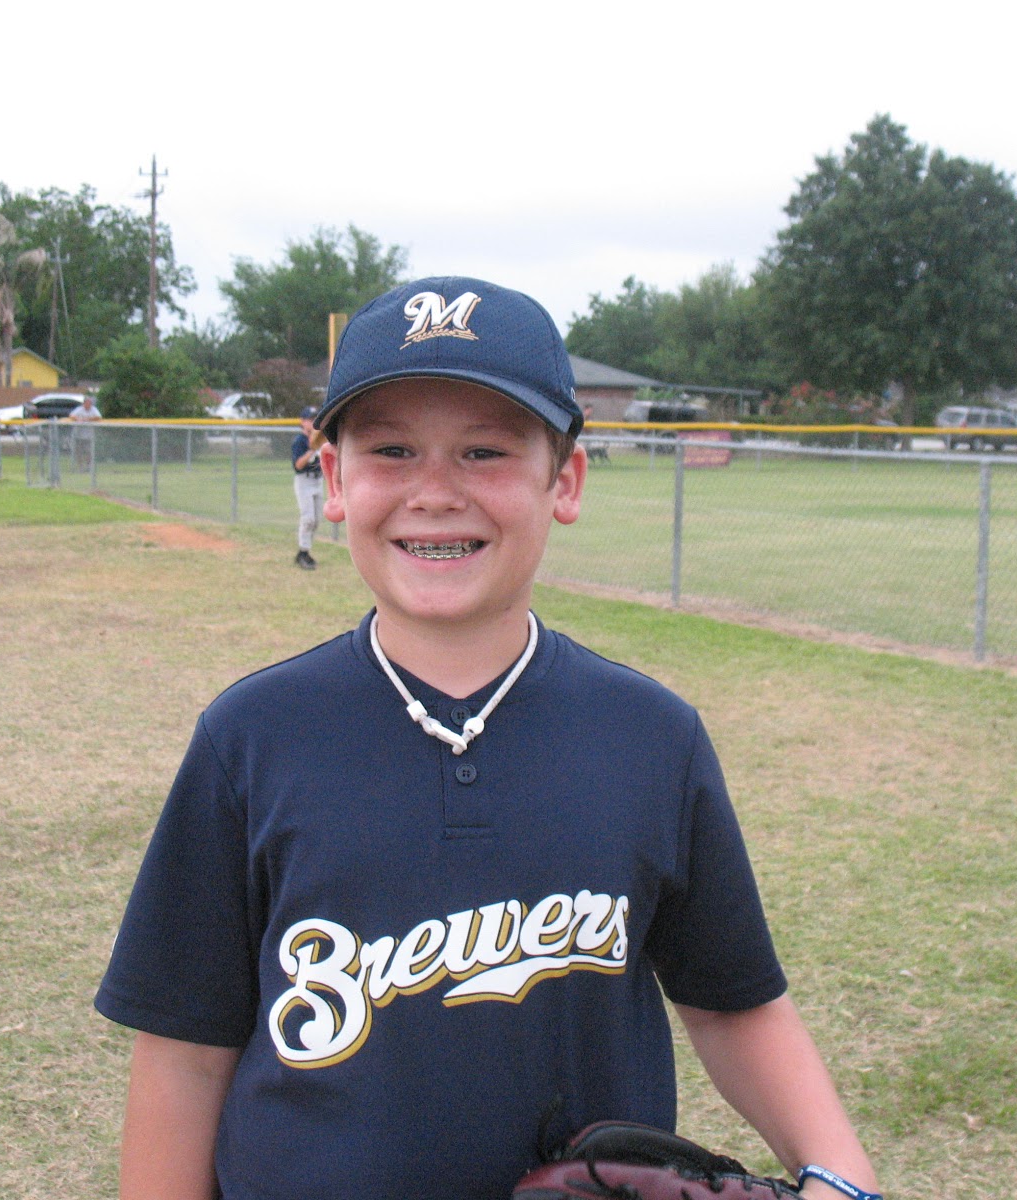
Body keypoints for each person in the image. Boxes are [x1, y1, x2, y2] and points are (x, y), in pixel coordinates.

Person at [94, 277, 880, 1200]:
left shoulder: (649, 737)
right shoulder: (253, 739)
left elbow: (734, 1004)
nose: (436, 493)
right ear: (335, 479)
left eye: (485, 452)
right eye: (391, 450)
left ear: (566, 481)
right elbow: (185, 1057)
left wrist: (843, 1178)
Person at [290, 405, 324, 570]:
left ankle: (306, 551)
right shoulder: (300, 441)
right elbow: (298, 465)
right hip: (304, 481)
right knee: (308, 518)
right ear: (302, 422)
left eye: (315, 420)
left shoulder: (320, 440)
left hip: (318, 481)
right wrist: (311, 450)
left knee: (316, 520)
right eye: (310, 420)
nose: (313, 423)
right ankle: (303, 553)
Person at [69, 394, 103, 469]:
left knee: (89, 451)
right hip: (78, 434)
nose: (88, 404)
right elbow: (71, 416)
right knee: (79, 451)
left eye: (90, 403)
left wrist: (88, 419)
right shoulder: (79, 409)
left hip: (89, 435)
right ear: (84, 403)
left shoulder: (93, 409)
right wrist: (78, 419)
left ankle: (88, 466)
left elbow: (98, 417)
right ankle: (80, 466)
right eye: (87, 402)